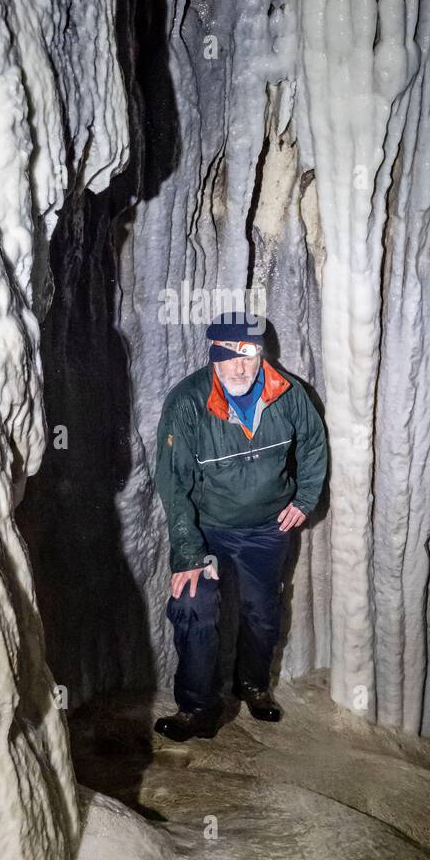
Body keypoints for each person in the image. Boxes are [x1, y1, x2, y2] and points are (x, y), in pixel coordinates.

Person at [153, 310, 328, 741]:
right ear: (213, 355)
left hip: (267, 529)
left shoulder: (288, 394)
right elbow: (173, 482)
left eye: (248, 354)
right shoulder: (188, 403)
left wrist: (305, 499)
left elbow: (312, 442)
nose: (240, 366)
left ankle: (252, 686)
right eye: (228, 355)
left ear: (260, 353)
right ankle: (196, 707)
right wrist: (188, 552)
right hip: (208, 528)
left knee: (263, 611)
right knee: (194, 604)